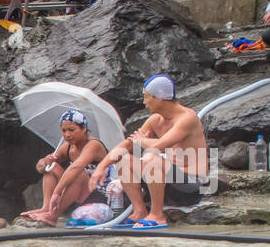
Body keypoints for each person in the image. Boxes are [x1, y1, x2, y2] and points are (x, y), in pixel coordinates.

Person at [89, 75, 209, 229]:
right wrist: (102, 166)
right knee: (125, 160)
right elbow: (127, 144)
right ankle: (140, 211)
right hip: (168, 183)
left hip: (192, 187)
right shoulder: (155, 120)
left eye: (146, 97)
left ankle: (157, 216)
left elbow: (159, 146)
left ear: (159, 97)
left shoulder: (187, 118)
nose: (144, 102)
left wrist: (141, 141)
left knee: (151, 158)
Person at [19, 109, 110, 225]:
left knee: (78, 173)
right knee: (52, 167)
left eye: (71, 130)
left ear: (84, 129)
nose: (67, 134)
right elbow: (41, 167)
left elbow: (76, 168)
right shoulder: (68, 146)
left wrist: (56, 193)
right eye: (64, 130)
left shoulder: (93, 145)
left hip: (98, 195)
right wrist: (44, 162)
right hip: (76, 195)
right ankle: (47, 208)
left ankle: (53, 215)